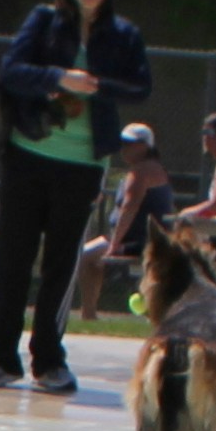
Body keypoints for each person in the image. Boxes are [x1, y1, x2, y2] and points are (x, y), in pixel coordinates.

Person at [0, 0, 147, 392]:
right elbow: (11, 70)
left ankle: (49, 359)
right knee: (11, 256)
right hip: (28, 154)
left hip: (81, 164)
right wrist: (57, 77)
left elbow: (140, 86)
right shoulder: (44, 20)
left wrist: (97, 85)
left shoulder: (123, 34)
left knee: (62, 261)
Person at [79, 122, 178, 316]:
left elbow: (129, 208)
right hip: (133, 238)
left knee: (84, 257)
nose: (125, 148)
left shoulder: (142, 171)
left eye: (130, 143)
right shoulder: (150, 169)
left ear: (146, 146)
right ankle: (88, 313)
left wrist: (114, 245)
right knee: (85, 256)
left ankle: (88, 314)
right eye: (123, 142)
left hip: (140, 242)